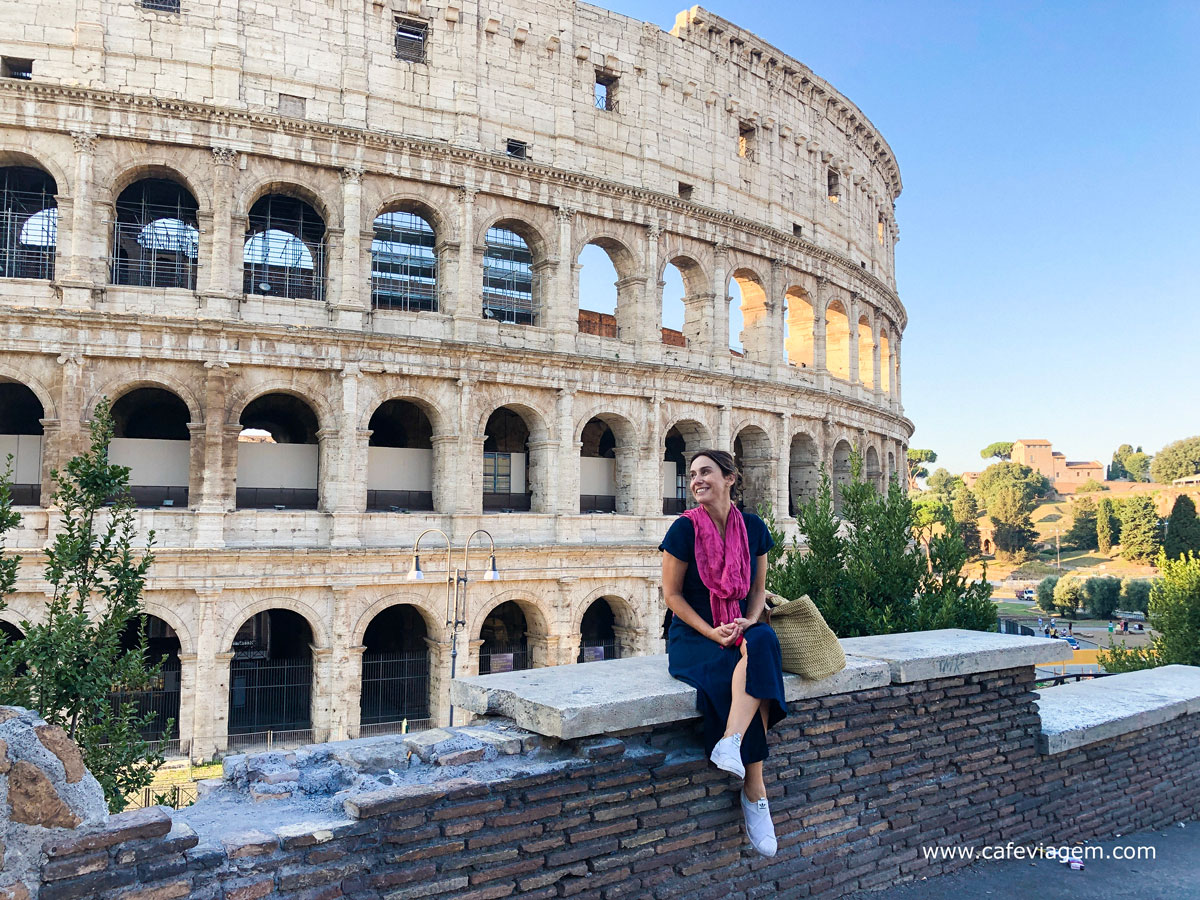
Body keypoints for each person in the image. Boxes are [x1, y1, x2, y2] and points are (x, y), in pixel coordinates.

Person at [660, 449, 787, 858]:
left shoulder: (753, 528)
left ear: (730, 478)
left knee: (764, 643)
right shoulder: (683, 530)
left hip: (738, 624)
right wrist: (712, 631)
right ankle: (756, 790)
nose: (697, 479)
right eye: (693, 473)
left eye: (706, 472)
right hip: (694, 634)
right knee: (744, 670)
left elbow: (757, 590)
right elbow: (672, 597)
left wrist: (749, 621)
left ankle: (730, 742)